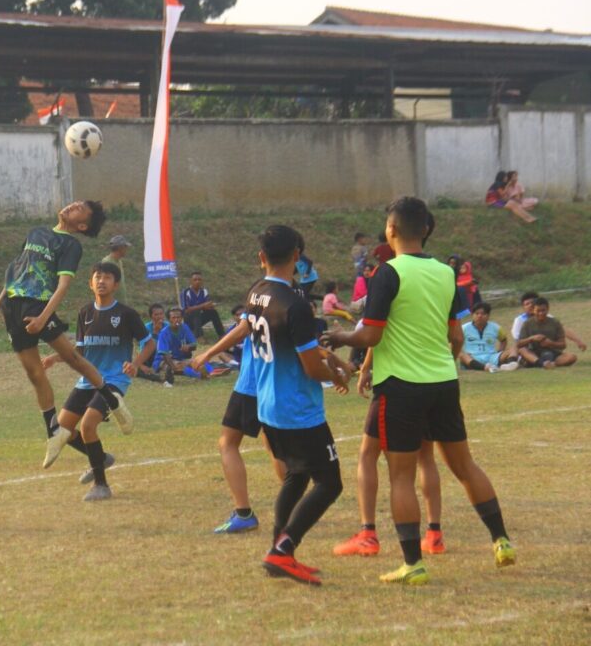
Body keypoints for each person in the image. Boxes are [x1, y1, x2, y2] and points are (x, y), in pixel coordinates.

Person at [325, 196, 516, 586]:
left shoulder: (388, 274)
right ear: (425, 229)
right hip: (443, 383)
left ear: (391, 230)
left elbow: (371, 332)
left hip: (401, 387)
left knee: (400, 475)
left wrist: (339, 334)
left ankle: (412, 563)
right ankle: (501, 540)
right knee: (465, 466)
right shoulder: (447, 274)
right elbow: (455, 335)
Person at [0, 200, 134, 446]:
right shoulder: (36, 232)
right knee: (34, 373)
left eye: (79, 209)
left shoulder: (70, 245)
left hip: (38, 304)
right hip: (13, 308)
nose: (73, 205)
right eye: (75, 203)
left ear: (82, 224)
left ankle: (111, 399)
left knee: (73, 359)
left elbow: (63, 285)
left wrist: (43, 318)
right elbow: (16, 271)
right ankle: (53, 429)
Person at [249, 225, 350, 586]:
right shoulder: (295, 304)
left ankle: (279, 550)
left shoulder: (256, 293)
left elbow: (289, 345)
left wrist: (325, 357)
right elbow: (309, 366)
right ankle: (283, 549)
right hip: (297, 410)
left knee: (297, 475)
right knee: (330, 483)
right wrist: (335, 374)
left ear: (262, 257)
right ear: (297, 257)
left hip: (269, 406)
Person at [41, 262, 155, 501]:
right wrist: (55, 358)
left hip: (113, 380)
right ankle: (100, 458)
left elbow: (150, 343)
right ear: (90, 283)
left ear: (116, 284)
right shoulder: (85, 313)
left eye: (107, 277)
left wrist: (135, 364)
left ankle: (101, 485)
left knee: (88, 426)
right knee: (60, 430)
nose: (101, 281)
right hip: (86, 380)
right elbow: (79, 353)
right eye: (97, 277)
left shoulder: (126, 314)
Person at [332, 347, 448, 558]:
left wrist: (365, 367)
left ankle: (367, 534)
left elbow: (376, 334)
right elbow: (455, 337)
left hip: (398, 383)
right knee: (426, 457)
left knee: (368, 455)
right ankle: (434, 534)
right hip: (432, 380)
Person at [192, 307, 287, 535]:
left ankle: (243, 514)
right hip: (277, 383)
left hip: (252, 383)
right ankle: (293, 506)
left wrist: (208, 353)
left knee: (228, 443)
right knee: (273, 444)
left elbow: (243, 329)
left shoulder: (261, 293)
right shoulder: (293, 295)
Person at [511, 291, 588, 354]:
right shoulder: (519, 320)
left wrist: (578, 341)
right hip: (529, 350)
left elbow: (563, 329)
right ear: (523, 307)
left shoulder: (548, 317)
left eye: (532, 302)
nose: (530, 305)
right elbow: (519, 341)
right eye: (527, 304)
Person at [516, 297, 578, 368]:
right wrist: (531, 339)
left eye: (543, 310)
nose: (541, 313)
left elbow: (563, 345)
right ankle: (541, 363)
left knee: (572, 357)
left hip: (553, 353)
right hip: (534, 353)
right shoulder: (527, 323)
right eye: (538, 311)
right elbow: (519, 344)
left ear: (548, 309)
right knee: (522, 350)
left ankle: (551, 364)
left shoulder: (555, 323)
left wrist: (550, 343)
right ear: (533, 310)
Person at [156, 306, 213, 379]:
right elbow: (164, 354)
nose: (176, 320)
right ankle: (199, 375)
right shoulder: (164, 333)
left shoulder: (185, 327)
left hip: (182, 358)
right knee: (178, 366)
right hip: (165, 361)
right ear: (169, 319)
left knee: (199, 361)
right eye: (173, 318)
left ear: (182, 318)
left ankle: (213, 372)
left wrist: (189, 346)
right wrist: (174, 368)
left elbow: (194, 345)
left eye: (178, 317)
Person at [459, 302, 518, 372]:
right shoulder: (464, 328)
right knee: (462, 355)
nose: (479, 316)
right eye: (477, 313)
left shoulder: (496, 327)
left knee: (513, 349)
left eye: (483, 314)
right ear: (472, 315)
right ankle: (486, 368)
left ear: (488, 316)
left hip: (491, 357)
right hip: (473, 357)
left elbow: (503, 340)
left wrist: (500, 351)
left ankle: (511, 365)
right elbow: (455, 341)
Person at [181, 271, 225, 339]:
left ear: (202, 281)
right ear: (191, 281)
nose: (197, 281)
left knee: (213, 312)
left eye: (199, 279)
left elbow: (206, 305)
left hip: (199, 319)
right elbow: (186, 310)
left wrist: (210, 306)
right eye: (195, 280)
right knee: (196, 311)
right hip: (189, 320)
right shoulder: (186, 292)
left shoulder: (204, 291)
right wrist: (202, 306)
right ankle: (199, 337)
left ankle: (222, 335)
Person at [137, 303, 170, 383]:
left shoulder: (168, 326)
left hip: (164, 356)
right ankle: (150, 371)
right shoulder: (146, 328)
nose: (159, 317)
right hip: (149, 357)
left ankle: (160, 370)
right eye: (156, 314)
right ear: (151, 316)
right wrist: (155, 332)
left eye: (161, 314)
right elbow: (143, 348)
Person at [101, 234, 131, 304]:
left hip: (120, 303)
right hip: (111, 304)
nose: (126, 249)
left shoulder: (119, 261)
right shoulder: (107, 262)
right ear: (120, 248)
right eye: (125, 247)